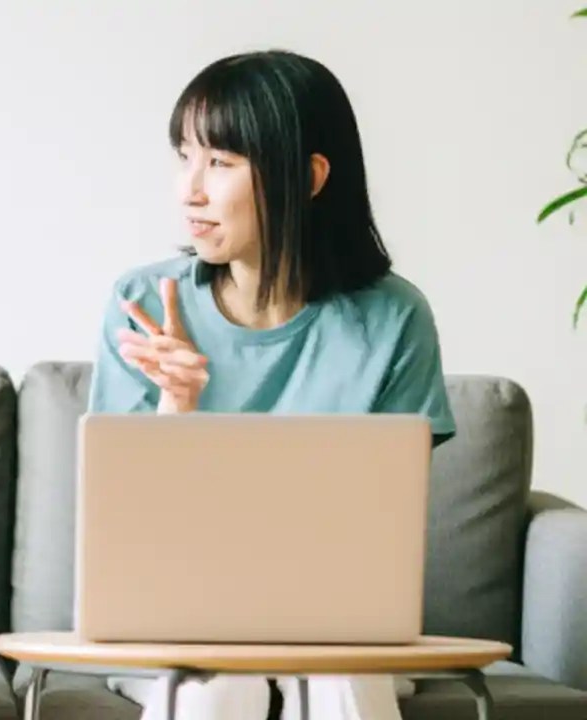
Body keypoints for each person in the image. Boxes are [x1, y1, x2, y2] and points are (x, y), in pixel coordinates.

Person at [88, 49, 455, 720]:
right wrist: (176, 408)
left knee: (339, 682)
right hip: (178, 623)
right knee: (217, 687)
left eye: (220, 162)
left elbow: (383, 534)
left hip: (337, 623)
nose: (189, 190)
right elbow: (134, 545)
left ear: (308, 177)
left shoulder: (394, 319)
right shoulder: (142, 304)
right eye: (184, 157)